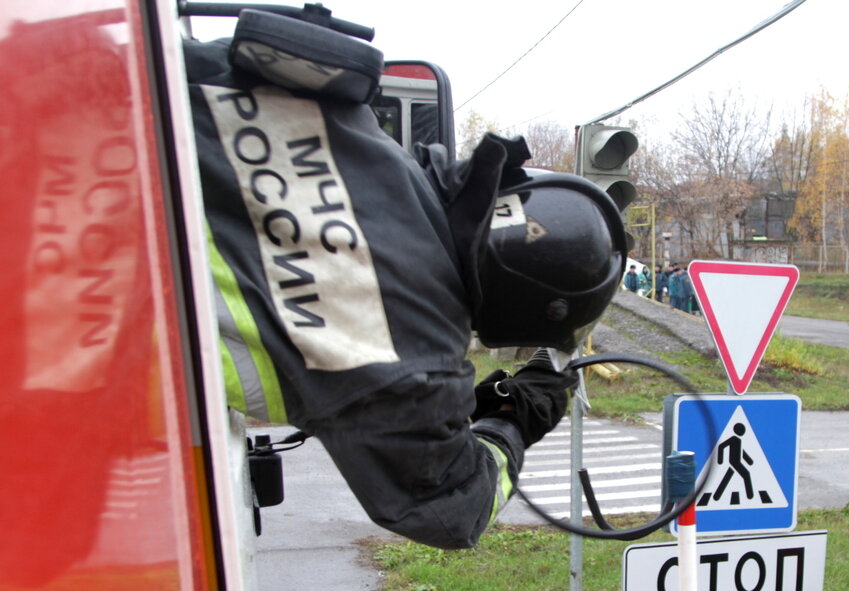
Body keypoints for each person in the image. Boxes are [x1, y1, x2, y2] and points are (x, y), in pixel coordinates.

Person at [184, 17, 625, 549]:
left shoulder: (348, 114)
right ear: (519, 314)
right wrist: (513, 420)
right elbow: (453, 511)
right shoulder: (413, 357)